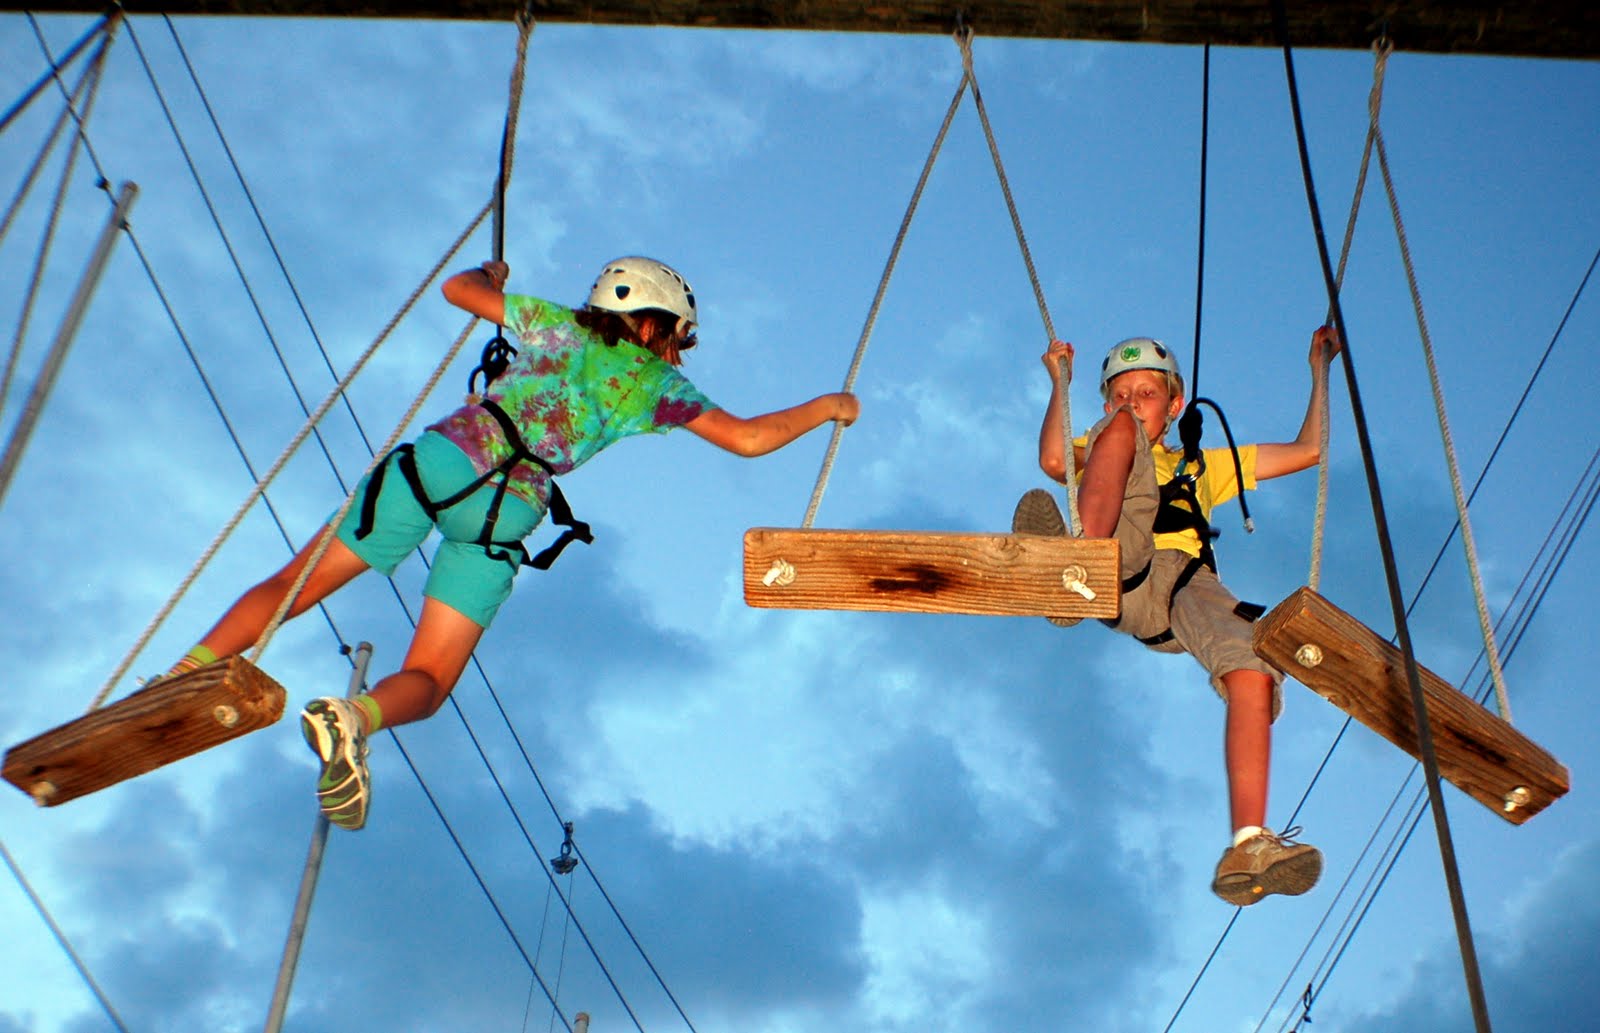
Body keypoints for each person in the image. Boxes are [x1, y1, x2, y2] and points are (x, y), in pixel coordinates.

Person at [165, 256, 859, 830]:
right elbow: (749, 438)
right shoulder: (657, 383)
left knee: (294, 586)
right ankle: (355, 715)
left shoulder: (553, 324)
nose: (677, 349)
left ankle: (182, 673)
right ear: (653, 322)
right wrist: (829, 406)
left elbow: (457, 291)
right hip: (505, 511)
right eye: (677, 334)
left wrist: (488, 276)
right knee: (431, 682)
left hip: (442, 463)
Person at [1011, 328, 1339, 905]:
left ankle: (1250, 843)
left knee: (1252, 666)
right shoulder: (1110, 433)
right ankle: (1075, 565)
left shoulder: (1202, 465)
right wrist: (1059, 382)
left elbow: (1309, 450)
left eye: (1146, 393)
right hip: (1122, 561)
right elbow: (1055, 459)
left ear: (1176, 403)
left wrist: (1320, 368)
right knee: (1120, 441)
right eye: (1119, 393)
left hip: (1187, 587)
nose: (1132, 403)